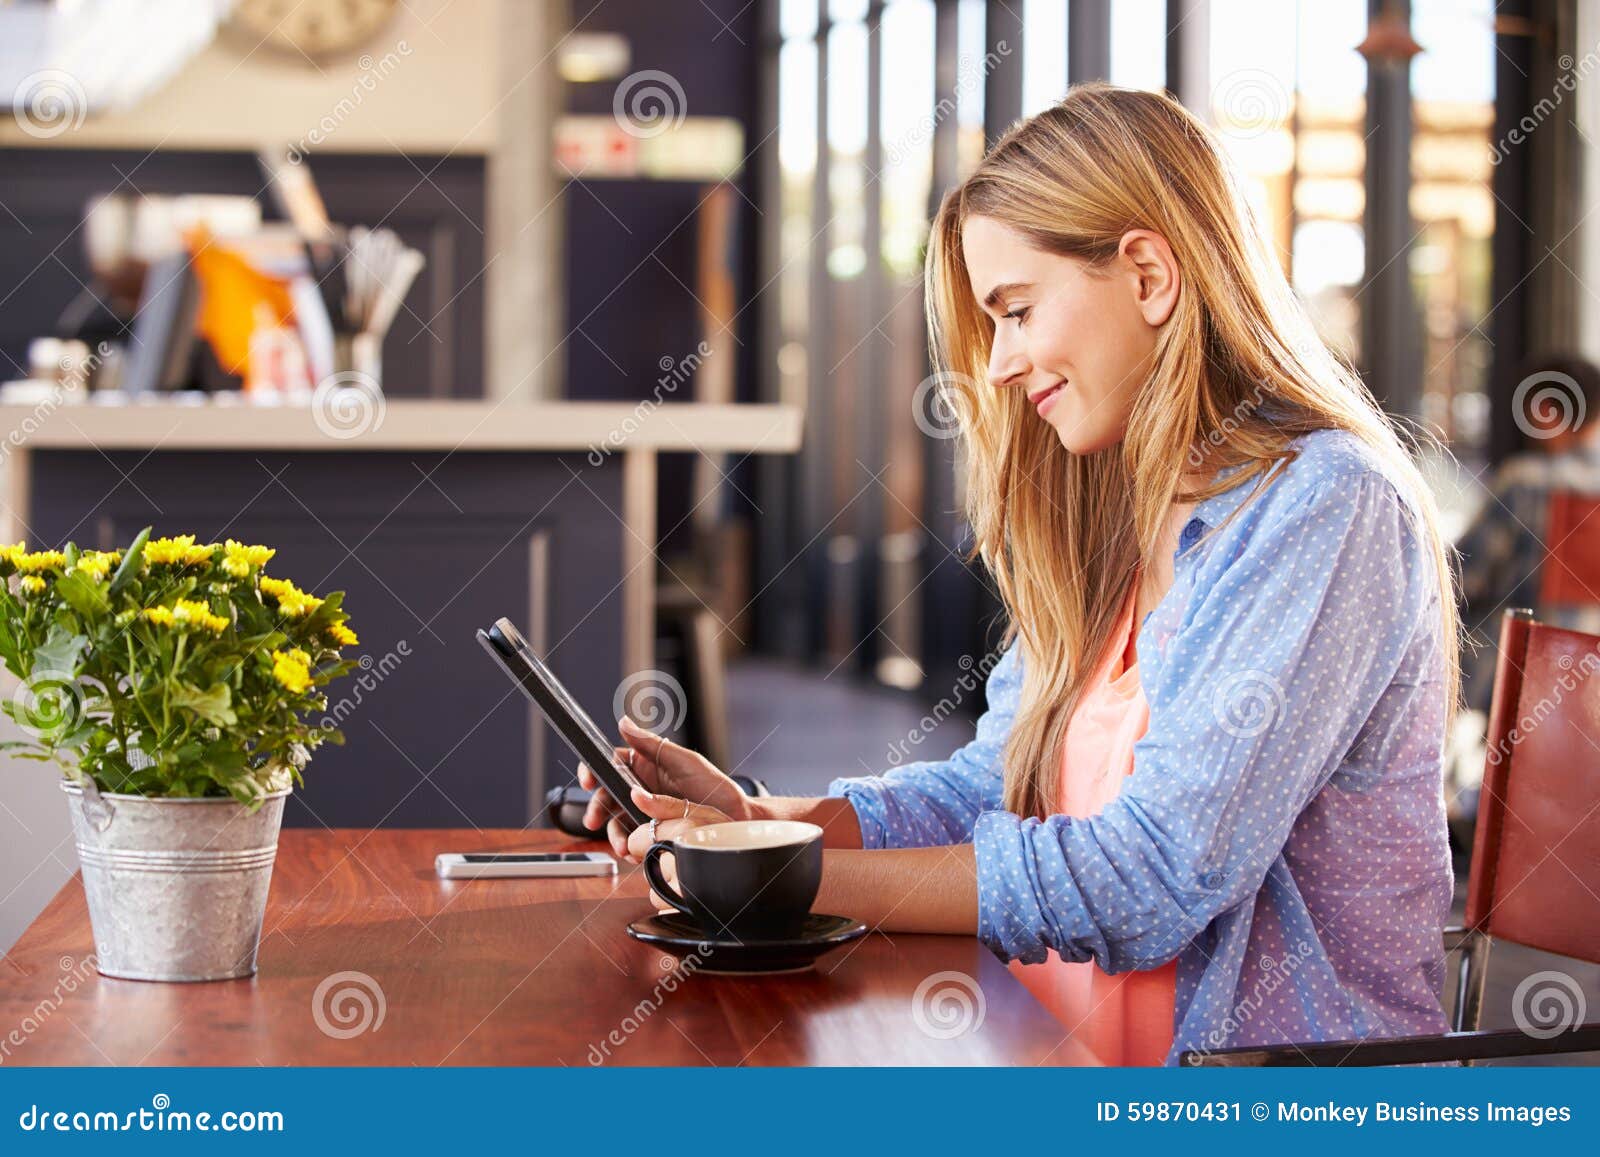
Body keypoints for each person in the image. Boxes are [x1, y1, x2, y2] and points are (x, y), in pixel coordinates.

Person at [581, 84, 1461, 1066]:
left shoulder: (1323, 506)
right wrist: (760, 825)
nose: (997, 363)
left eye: (1016, 310)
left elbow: (1153, 876)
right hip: (1045, 1049)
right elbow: (995, 788)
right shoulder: (1121, 511)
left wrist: (789, 879)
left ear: (1148, 275)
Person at [1455, 354, 1600, 717]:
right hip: (1589, 694)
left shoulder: (1526, 482)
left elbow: (1464, 576)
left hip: (1518, 682)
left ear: (1547, 409)